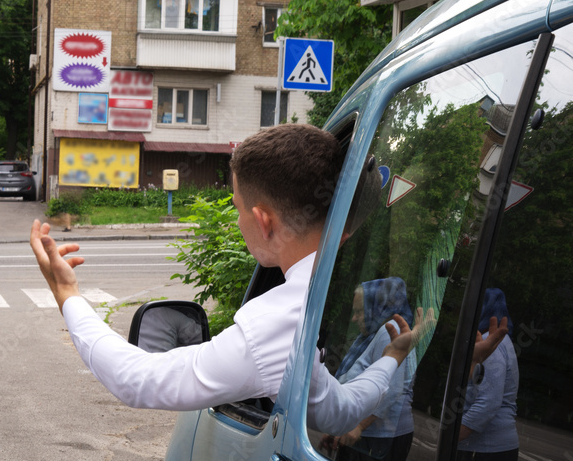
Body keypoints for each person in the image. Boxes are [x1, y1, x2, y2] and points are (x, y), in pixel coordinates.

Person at [30, 124, 506, 430]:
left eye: (237, 208)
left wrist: (67, 292)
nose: (238, 220)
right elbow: (334, 408)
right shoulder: (342, 276)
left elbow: (138, 380)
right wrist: (391, 359)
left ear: (263, 220)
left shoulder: (278, 321)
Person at [324, 278, 419, 461]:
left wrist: (357, 426)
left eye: (359, 311)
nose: (354, 318)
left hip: (377, 440)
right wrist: (339, 426)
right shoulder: (373, 333)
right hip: (367, 436)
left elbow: (392, 389)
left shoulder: (389, 330)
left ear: (377, 307)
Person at [454, 288, 520, 461]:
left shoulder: (494, 344)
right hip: (489, 452)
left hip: (486, 453)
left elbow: (488, 403)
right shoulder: (493, 341)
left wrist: (452, 436)